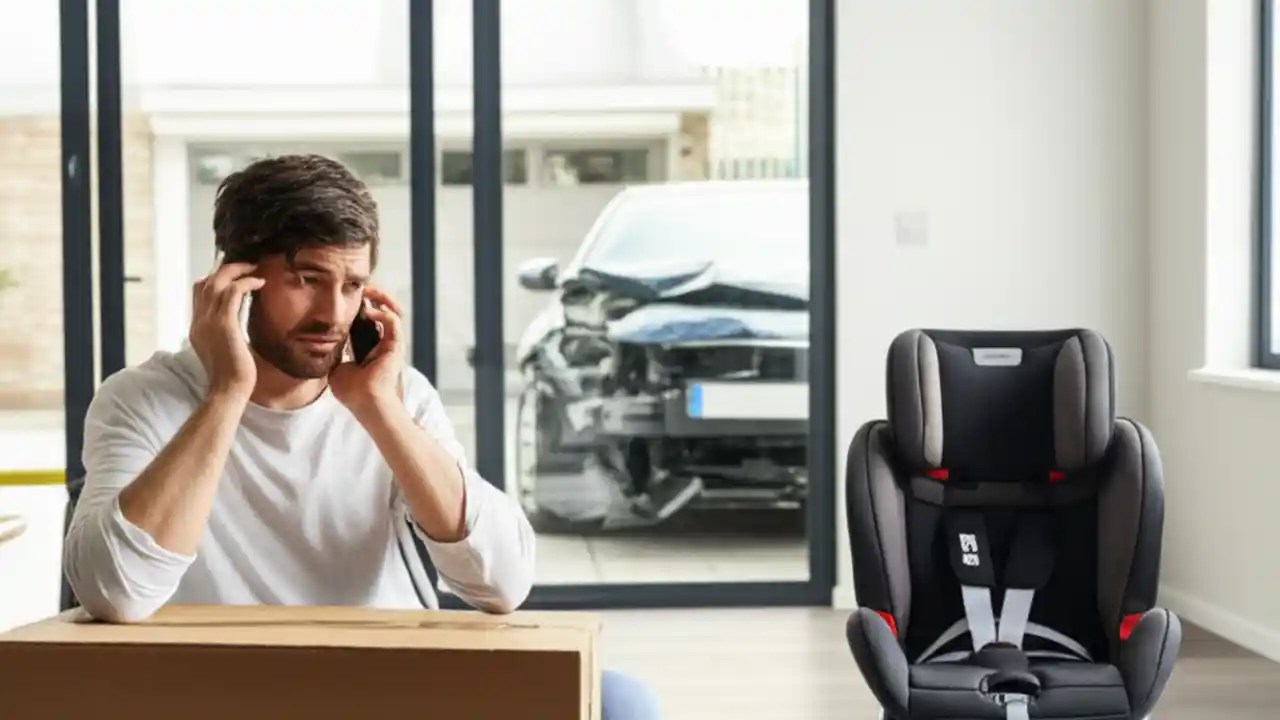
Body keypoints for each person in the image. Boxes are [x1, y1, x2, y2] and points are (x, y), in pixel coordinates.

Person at [63, 153, 660, 720]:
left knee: (620, 701)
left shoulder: (397, 397)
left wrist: (380, 409)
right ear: (234, 280)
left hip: (392, 687)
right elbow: (116, 592)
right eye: (306, 279)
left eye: (352, 286)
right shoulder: (141, 399)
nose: (333, 314)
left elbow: (502, 583)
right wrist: (226, 393)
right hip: (231, 694)